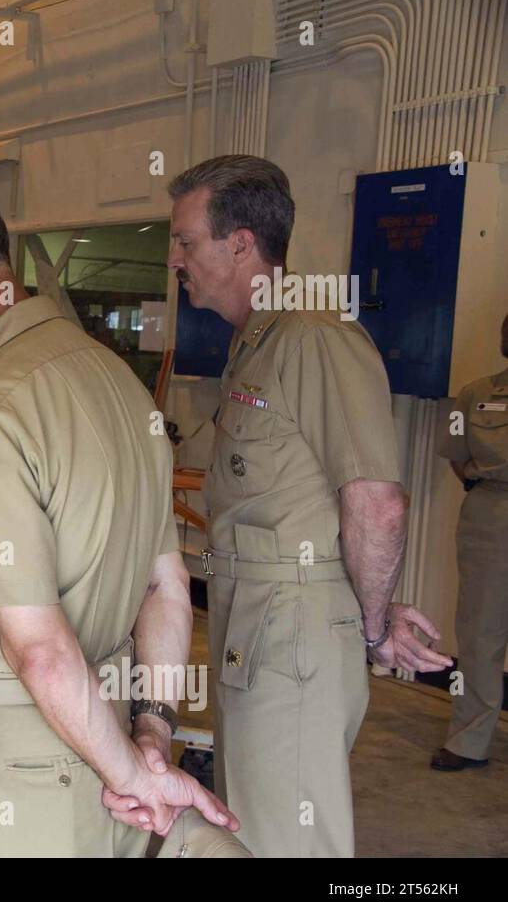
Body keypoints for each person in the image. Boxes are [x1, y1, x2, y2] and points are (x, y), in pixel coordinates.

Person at [0, 179, 236, 857]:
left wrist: (136, 777)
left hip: (21, 779)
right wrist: (148, 737)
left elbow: (39, 650)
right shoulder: (119, 383)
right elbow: (167, 586)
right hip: (108, 757)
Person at [161, 154, 451, 857]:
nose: (177, 259)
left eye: (187, 241)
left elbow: (377, 504)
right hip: (254, 625)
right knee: (249, 828)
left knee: (287, 842)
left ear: (240, 244)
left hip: (290, 635)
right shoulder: (255, 345)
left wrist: (375, 627)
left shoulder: (315, 339)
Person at [432, 312, 508, 771]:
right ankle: (468, 739)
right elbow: (457, 457)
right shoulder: (474, 396)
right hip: (491, 517)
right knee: (480, 632)